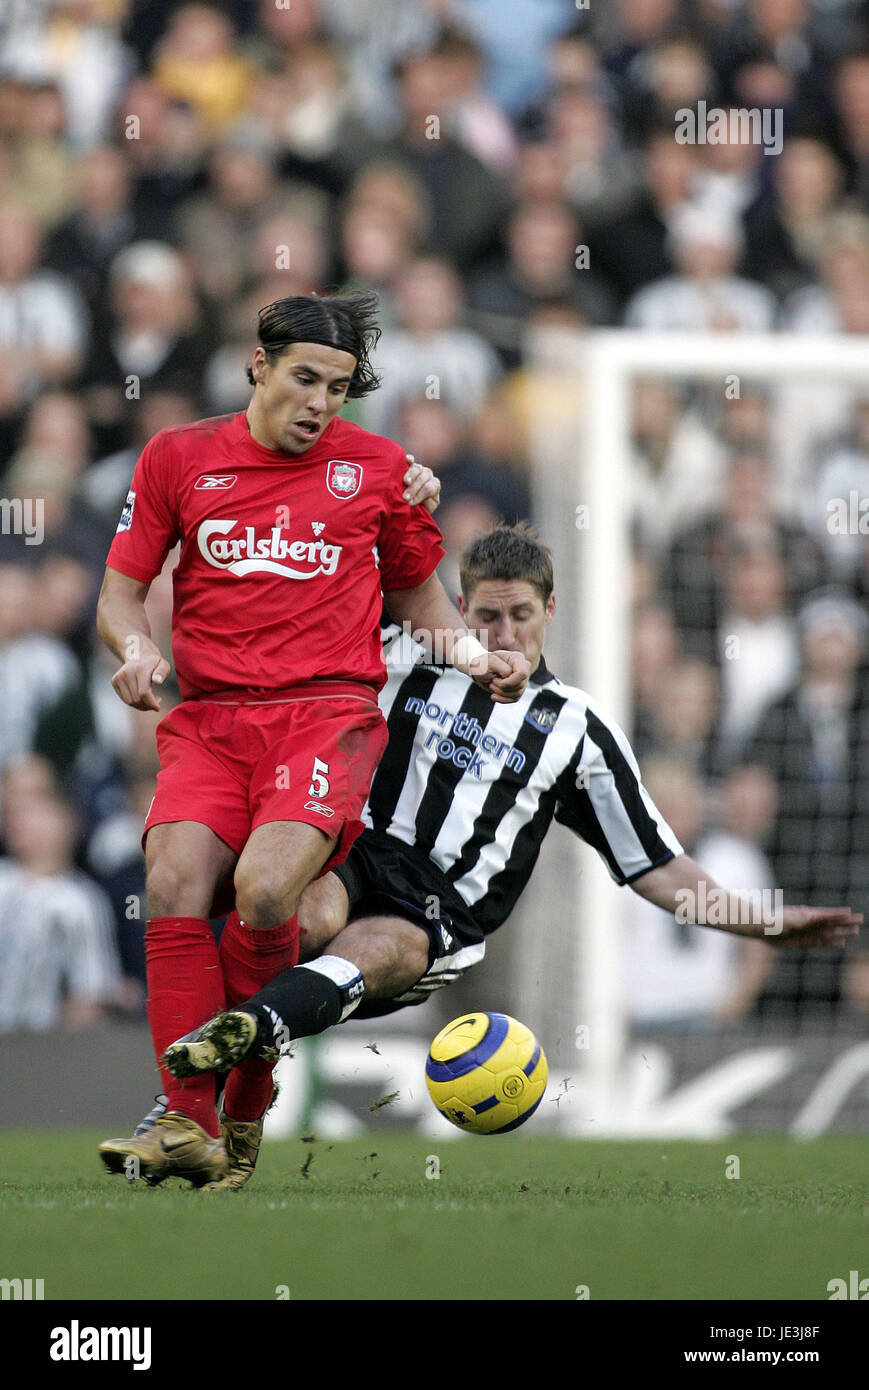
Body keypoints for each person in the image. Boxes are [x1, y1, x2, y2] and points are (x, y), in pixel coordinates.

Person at [163, 523, 861, 1188]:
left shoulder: (577, 729)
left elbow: (655, 865)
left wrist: (758, 922)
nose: (502, 635)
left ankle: (247, 1033)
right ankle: (216, 1083)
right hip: (358, 853)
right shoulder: (401, 656)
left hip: (443, 909)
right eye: (486, 617)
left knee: (385, 945)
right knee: (300, 913)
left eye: (520, 615)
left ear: (551, 608)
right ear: (458, 608)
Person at [96, 292, 529, 1187]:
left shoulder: (378, 471)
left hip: (325, 715)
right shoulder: (177, 457)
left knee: (263, 889)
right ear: (257, 365)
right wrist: (136, 651)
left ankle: (243, 1108)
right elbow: (120, 592)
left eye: (337, 388)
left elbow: (416, 598)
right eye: (303, 379)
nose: (319, 403)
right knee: (172, 877)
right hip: (209, 722)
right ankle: (186, 1123)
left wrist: (470, 656)